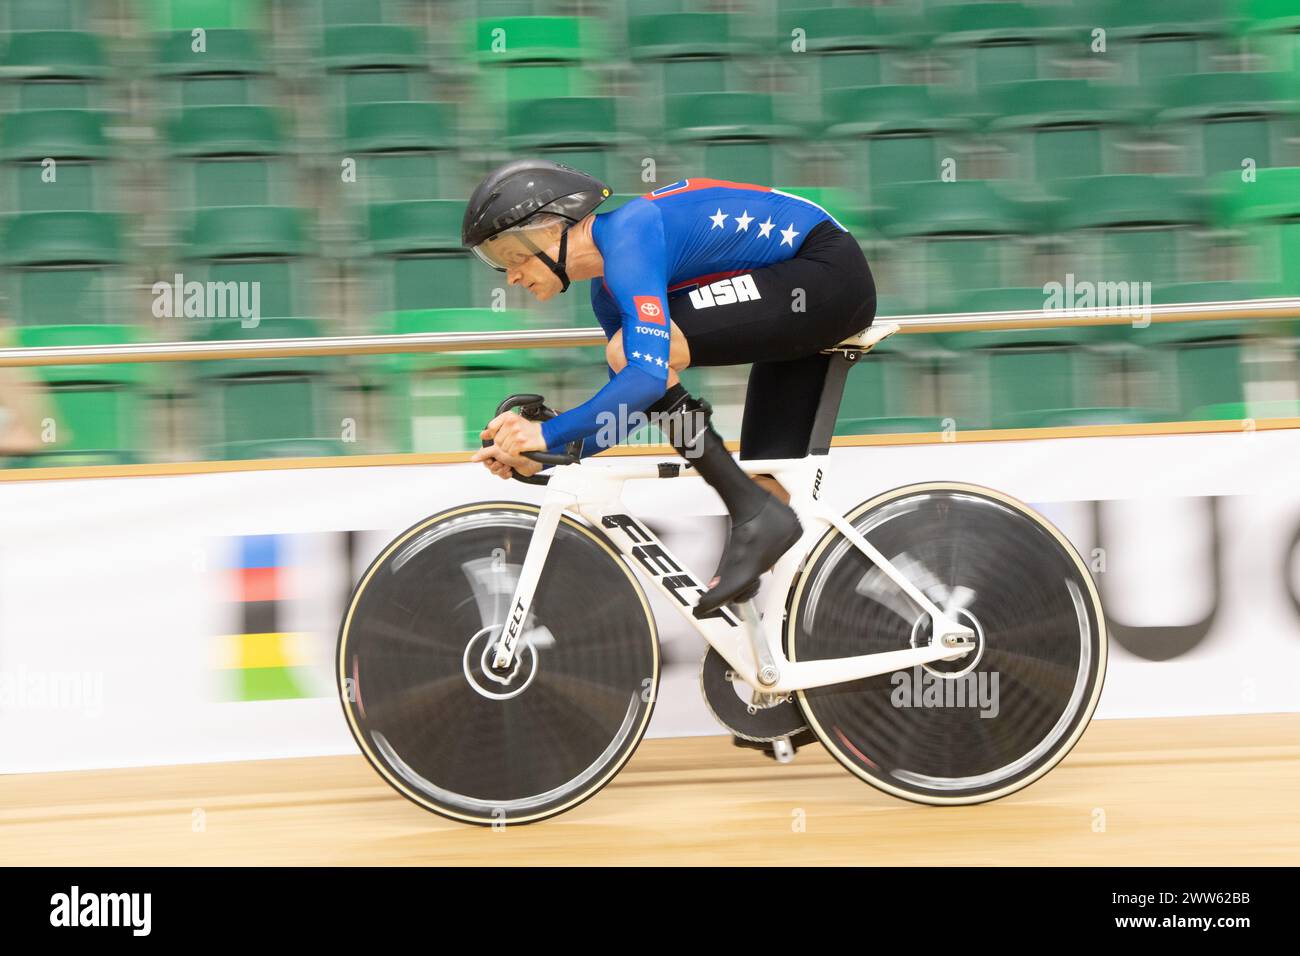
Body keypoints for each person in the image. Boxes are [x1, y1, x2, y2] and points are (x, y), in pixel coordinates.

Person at [466, 159, 876, 614]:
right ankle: (787, 652)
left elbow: (645, 375)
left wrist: (547, 433)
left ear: (550, 228)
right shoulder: (607, 288)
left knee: (635, 357)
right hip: (797, 282)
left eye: (511, 256)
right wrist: (543, 454)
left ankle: (754, 513)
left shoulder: (628, 235)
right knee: (769, 478)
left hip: (826, 274)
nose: (511, 277)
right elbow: (635, 401)